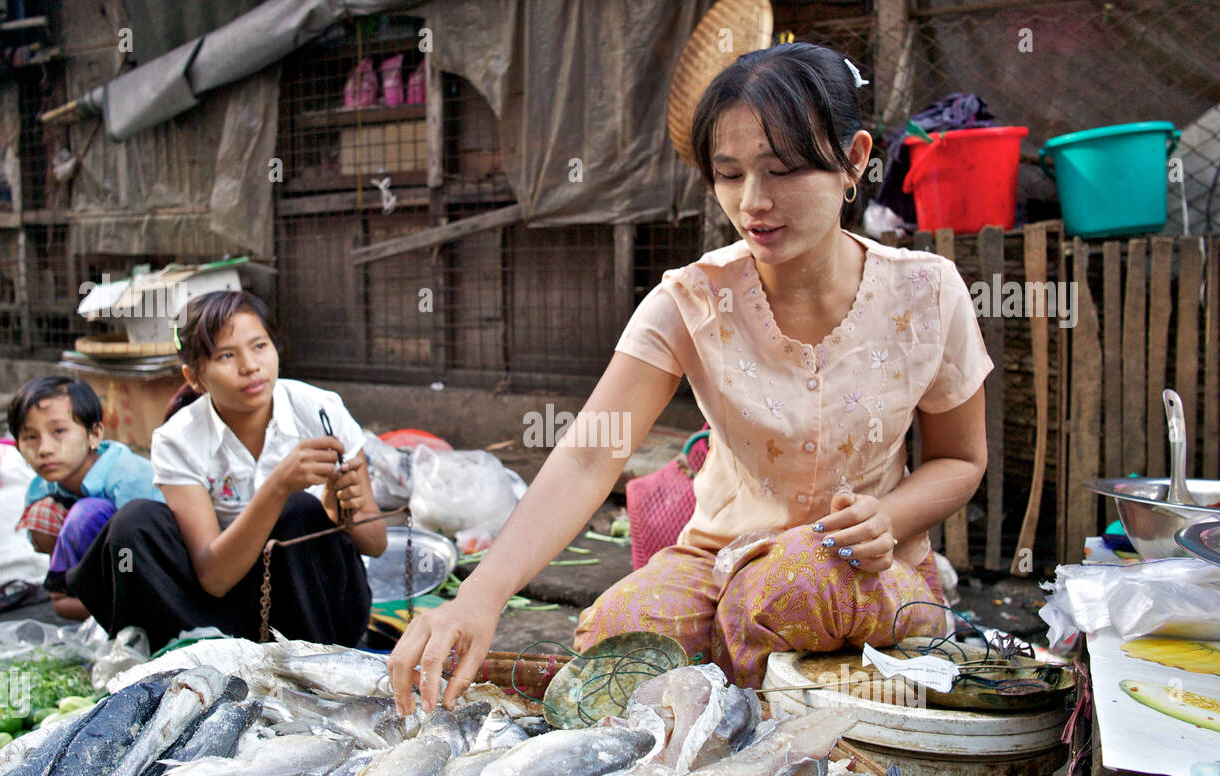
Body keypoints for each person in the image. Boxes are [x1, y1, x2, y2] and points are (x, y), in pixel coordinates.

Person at [388, 42, 991, 715]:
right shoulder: (692, 301)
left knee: (781, 592)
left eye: (783, 169)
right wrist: (480, 596)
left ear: (854, 159)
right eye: (729, 175)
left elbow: (960, 459)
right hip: (721, 561)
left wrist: (891, 514)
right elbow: (591, 454)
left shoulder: (926, 292)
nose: (753, 201)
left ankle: (758, 764)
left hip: (871, 569)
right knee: (621, 636)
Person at [66, 291, 387, 651]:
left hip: (312, 605)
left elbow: (376, 543)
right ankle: (195, 657)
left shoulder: (321, 412)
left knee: (299, 511)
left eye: (260, 346)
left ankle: (312, 663)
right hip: (223, 602)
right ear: (195, 377)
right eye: (226, 355)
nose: (250, 366)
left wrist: (345, 506)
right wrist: (278, 486)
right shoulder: (178, 439)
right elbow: (214, 578)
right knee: (135, 523)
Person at [10, 376, 161, 620]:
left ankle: (123, 603)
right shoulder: (42, 486)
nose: (44, 449)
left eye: (58, 431)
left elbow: (149, 547)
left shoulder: (129, 478)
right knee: (42, 513)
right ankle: (73, 591)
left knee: (87, 514)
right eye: (30, 437)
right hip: (104, 562)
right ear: (17, 446)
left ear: (94, 434)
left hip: (151, 567)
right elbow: (39, 541)